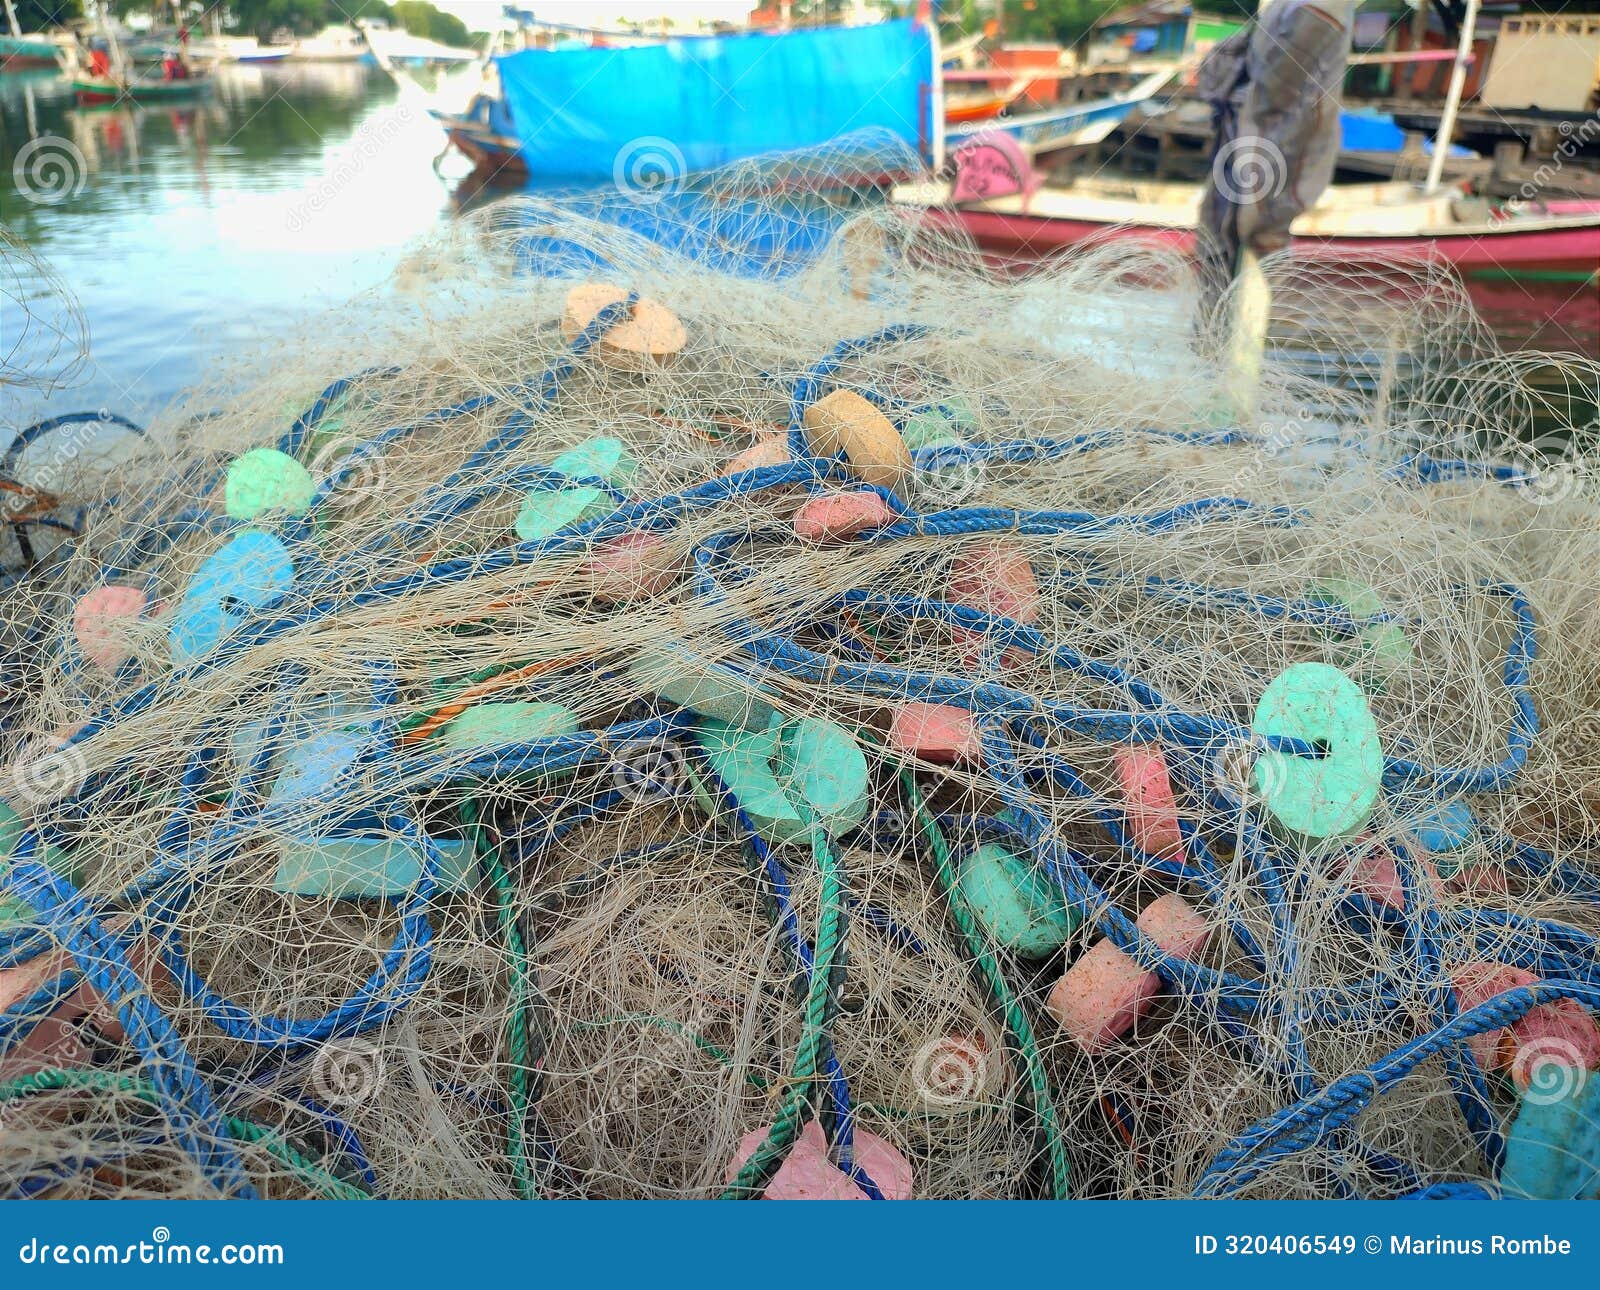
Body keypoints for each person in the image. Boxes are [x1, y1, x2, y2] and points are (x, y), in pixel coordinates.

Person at [1196, 1, 1354, 307]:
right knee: (1220, 255)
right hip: (1243, 154)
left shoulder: (1319, 8)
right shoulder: (1281, 7)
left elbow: (1280, 98)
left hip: (1272, 162)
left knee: (1253, 251)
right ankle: (1211, 339)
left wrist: (1267, 219)